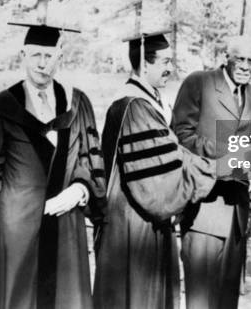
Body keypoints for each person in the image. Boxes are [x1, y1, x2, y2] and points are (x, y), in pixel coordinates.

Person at [0, 23, 105, 309]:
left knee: (68, 299)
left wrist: (80, 189)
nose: (43, 64)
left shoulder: (77, 103)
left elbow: (90, 157)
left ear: (60, 56)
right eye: (35, 55)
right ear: (22, 55)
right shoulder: (0, 108)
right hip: (19, 224)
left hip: (67, 219)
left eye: (49, 55)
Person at [93, 31, 216, 309]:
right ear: (143, 64)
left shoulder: (149, 100)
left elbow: (169, 153)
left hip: (141, 212)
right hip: (133, 218)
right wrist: (209, 169)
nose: (170, 69)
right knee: (138, 295)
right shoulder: (134, 105)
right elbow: (157, 174)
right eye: (164, 61)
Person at [171, 35, 251, 309]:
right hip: (204, 210)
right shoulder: (199, 82)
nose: (245, 66)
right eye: (240, 59)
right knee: (201, 300)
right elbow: (180, 135)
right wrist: (225, 153)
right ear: (226, 57)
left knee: (227, 301)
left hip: (237, 213)